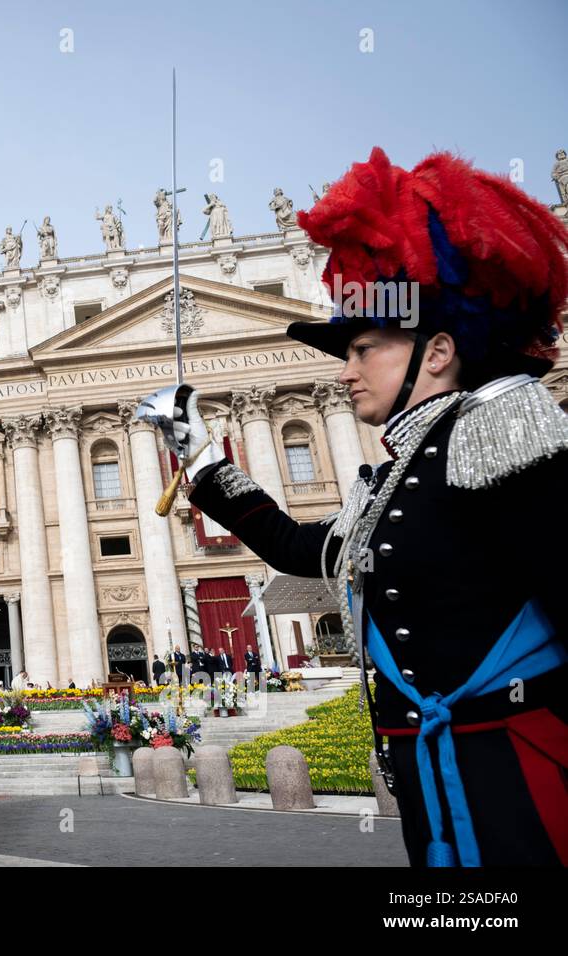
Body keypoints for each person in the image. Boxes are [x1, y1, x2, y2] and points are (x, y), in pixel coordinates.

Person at [163, 147, 568, 867]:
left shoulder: (503, 439)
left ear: (437, 351)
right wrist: (198, 457)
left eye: (364, 350)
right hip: (433, 783)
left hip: (518, 772)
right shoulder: (398, 476)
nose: (345, 371)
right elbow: (303, 551)